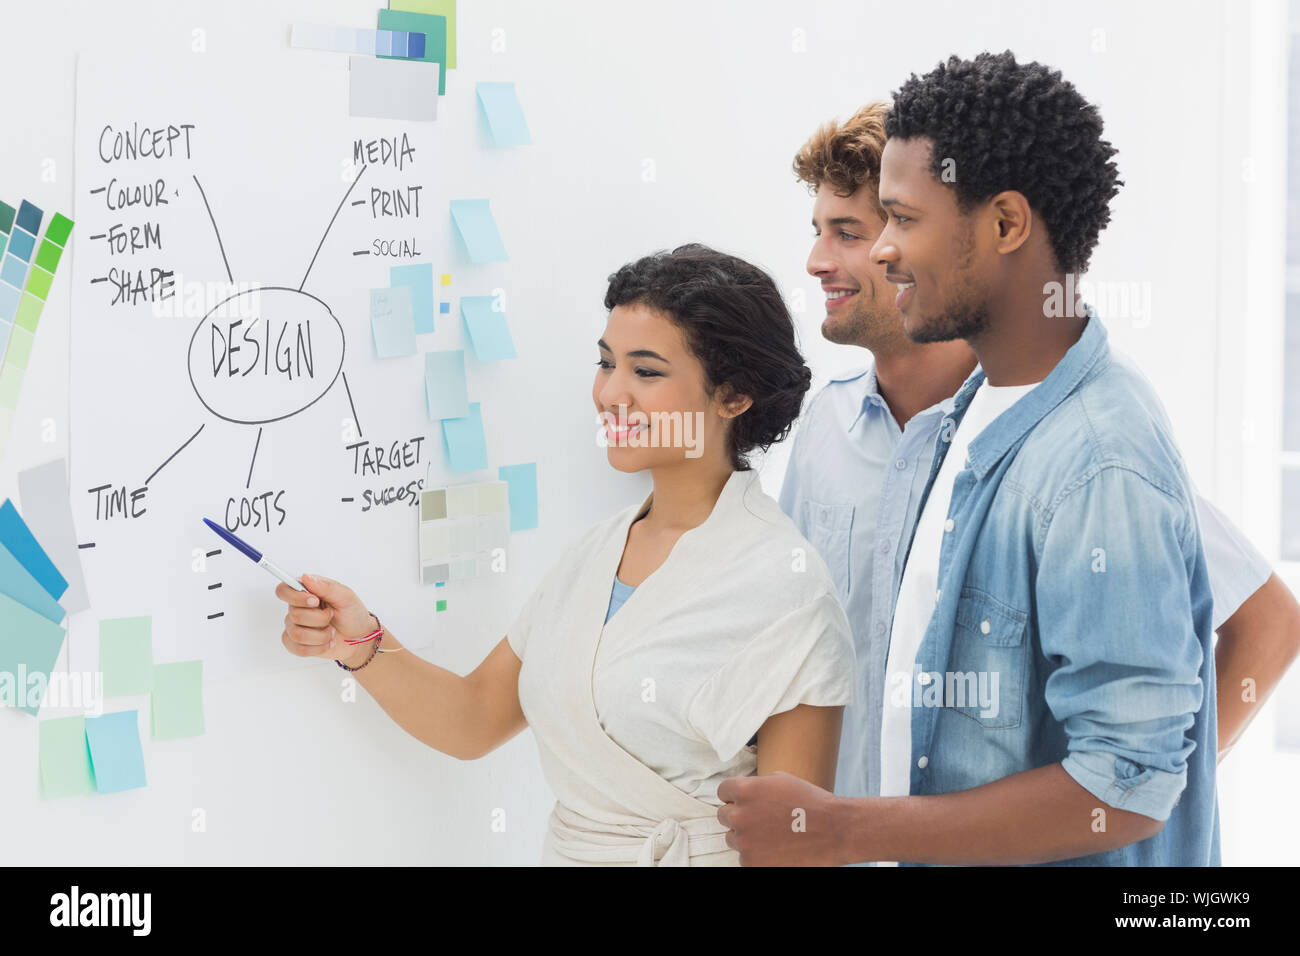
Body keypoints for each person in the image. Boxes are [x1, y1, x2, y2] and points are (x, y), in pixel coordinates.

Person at [720, 51, 1278, 866]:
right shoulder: (975, 419)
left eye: (901, 220)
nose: (879, 251)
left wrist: (841, 830)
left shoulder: (1100, 461)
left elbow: (1128, 779)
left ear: (1007, 225)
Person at [274, 243, 856, 866]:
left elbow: (798, 849)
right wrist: (359, 641)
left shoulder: (787, 589)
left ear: (733, 396)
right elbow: (474, 719)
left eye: (648, 371)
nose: (612, 394)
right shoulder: (594, 553)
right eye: (607, 364)